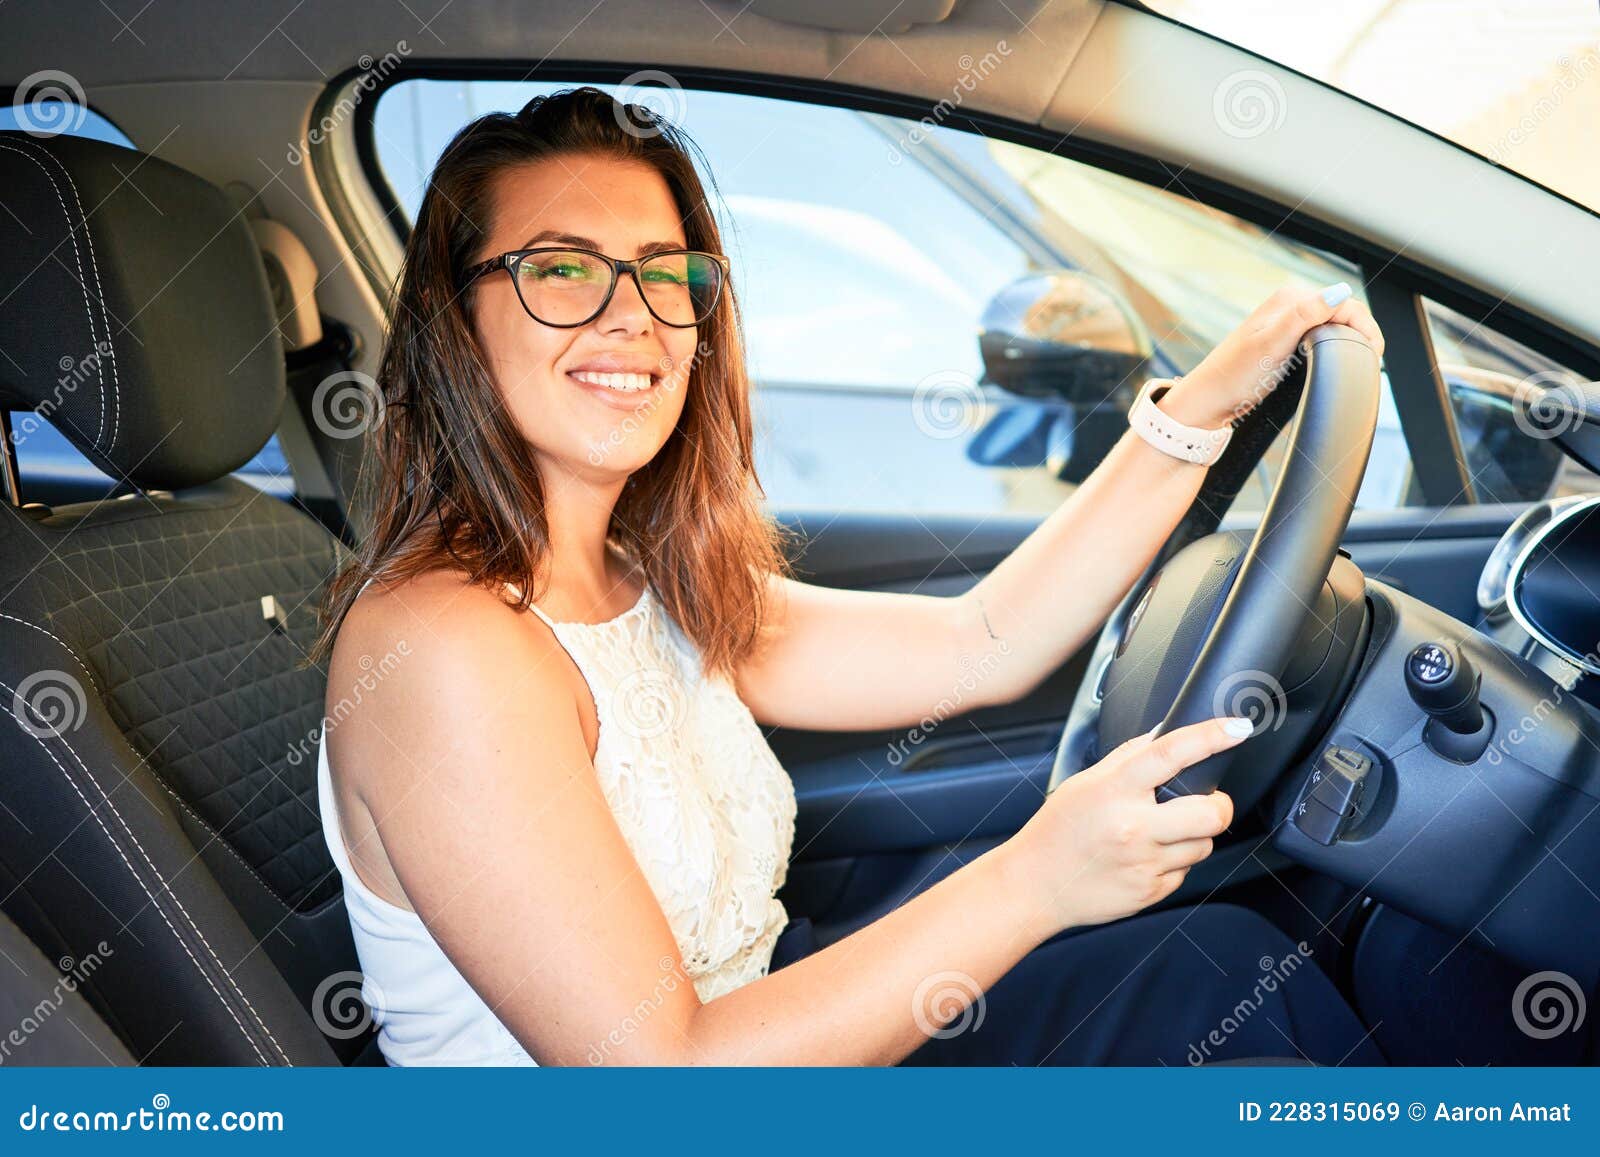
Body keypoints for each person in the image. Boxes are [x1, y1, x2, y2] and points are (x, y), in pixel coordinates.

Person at [312, 87, 1387, 1067]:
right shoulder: (444, 647)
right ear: (456, 321)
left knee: (1213, 966)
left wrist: (1199, 407)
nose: (631, 313)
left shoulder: (645, 578)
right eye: (560, 268)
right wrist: (1035, 878)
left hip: (778, 1035)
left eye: (665, 273)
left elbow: (984, 643)